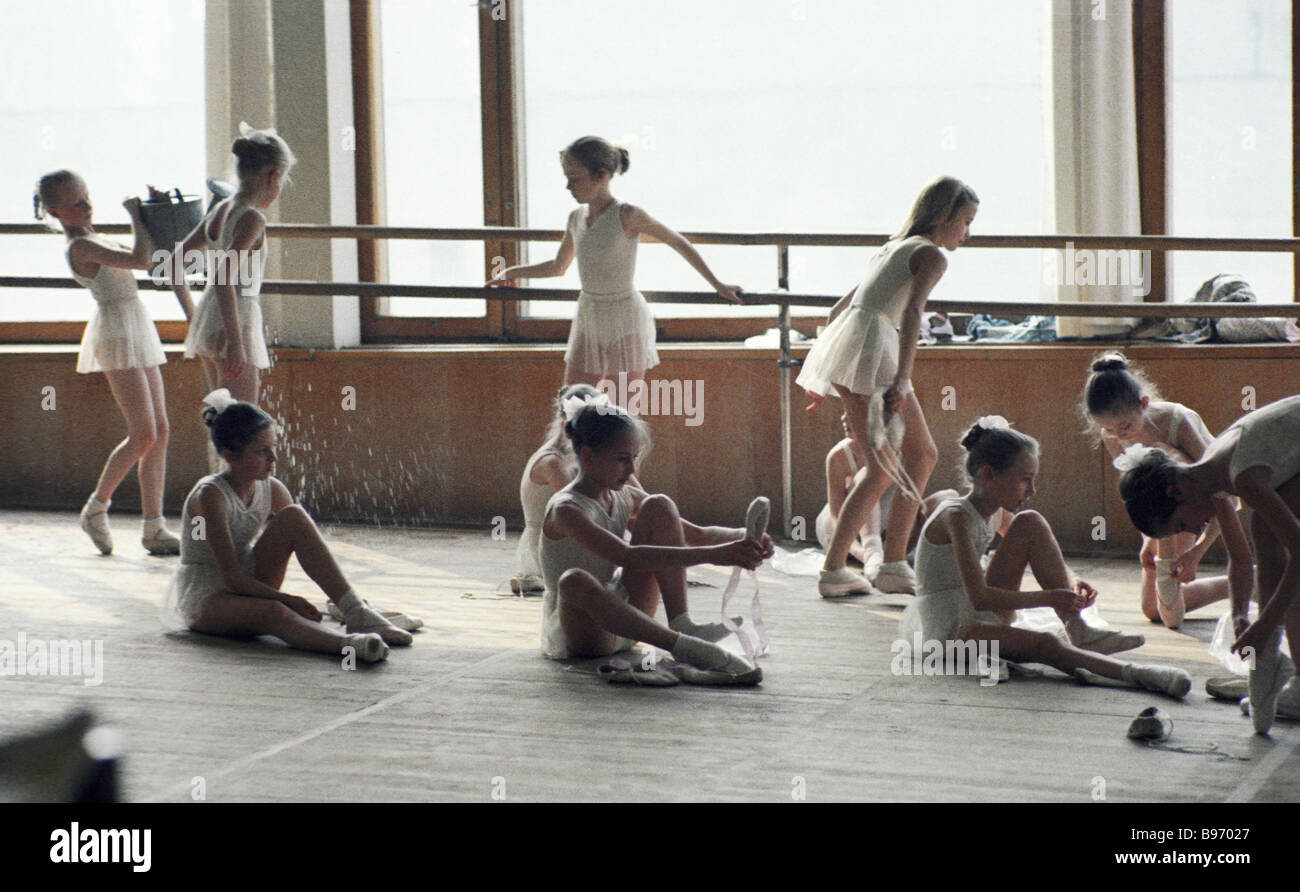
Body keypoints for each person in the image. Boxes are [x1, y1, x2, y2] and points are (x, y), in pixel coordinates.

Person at [900, 418, 1190, 696]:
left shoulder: (993, 510)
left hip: (974, 611)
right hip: (950, 629)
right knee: (1045, 644)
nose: (1033, 490)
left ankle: (1079, 630)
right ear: (989, 475)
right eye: (1025, 480)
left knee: (1031, 521)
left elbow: (1035, 542)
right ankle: (1139, 674)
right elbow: (981, 599)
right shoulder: (956, 517)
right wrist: (1049, 597)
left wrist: (1070, 580)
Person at [798, 176, 977, 598]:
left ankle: (891, 563)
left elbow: (839, 307)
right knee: (889, 466)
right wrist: (900, 378)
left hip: (853, 347)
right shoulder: (931, 255)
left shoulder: (892, 247)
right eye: (966, 221)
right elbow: (914, 313)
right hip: (875, 352)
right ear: (944, 217)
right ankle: (838, 569)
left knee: (917, 456)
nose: (968, 233)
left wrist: (827, 370)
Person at [162, 390, 412, 661]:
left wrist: (338, 597)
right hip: (209, 598)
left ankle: (356, 612)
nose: (274, 459)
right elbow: (232, 578)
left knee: (294, 515)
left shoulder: (271, 489)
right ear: (230, 456)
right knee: (275, 613)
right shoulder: (210, 496)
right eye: (262, 451)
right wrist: (287, 600)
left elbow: (304, 541)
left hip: (249, 579)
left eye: (275, 447)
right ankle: (348, 645)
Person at [539, 394, 768, 683]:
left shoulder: (622, 493)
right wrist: (718, 555)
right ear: (588, 457)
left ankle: (682, 625)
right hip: (583, 629)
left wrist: (743, 539)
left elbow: (694, 534)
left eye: (634, 459)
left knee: (660, 505)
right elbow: (627, 556)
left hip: (630, 620)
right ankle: (687, 647)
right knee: (573, 579)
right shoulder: (566, 510)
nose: (632, 470)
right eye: (622, 460)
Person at [488, 135, 742, 387]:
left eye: (575, 179)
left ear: (601, 176)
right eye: (567, 179)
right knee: (573, 405)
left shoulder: (627, 215)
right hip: (589, 313)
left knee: (618, 413)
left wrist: (718, 284)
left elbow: (677, 242)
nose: (568, 187)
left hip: (625, 317)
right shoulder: (576, 218)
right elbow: (558, 266)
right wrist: (513, 271)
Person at [1118, 395, 1300, 732]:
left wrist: (1264, 625)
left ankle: (1283, 663)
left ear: (1176, 492)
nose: (1191, 531)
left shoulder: (1242, 476)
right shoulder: (1214, 475)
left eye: (1181, 525)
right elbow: (1241, 560)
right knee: (1264, 529)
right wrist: (1241, 613)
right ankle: (1283, 672)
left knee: (1285, 554)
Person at [35, 170, 191, 555]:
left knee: (160, 430)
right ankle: (97, 506)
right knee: (143, 433)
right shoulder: (80, 248)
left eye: (86, 196)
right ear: (55, 212)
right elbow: (140, 260)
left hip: (135, 324)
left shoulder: (97, 238)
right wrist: (135, 215)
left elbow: (151, 254)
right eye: (75, 203)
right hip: (116, 332)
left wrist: (154, 210)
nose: (86, 206)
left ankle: (154, 527)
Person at [1081, 352, 1251, 629]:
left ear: (1143, 404)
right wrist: (1149, 536)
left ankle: (1246, 579)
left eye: (1125, 426)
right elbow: (1138, 495)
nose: (1120, 436)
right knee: (1152, 609)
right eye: (1108, 429)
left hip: (1192, 503)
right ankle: (1243, 582)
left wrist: (1196, 552)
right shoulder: (1111, 435)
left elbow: (1225, 495)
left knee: (1171, 609)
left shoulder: (1176, 420)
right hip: (1161, 510)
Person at [172, 123, 296, 404]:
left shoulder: (219, 208)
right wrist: (236, 343)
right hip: (235, 323)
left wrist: (194, 317)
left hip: (208, 320)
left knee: (223, 420)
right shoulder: (252, 219)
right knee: (241, 425)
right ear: (273, 176)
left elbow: (175, 263)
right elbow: (222, 278)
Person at [516, 383, 605, 593]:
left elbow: (632, 497)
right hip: (551, 547)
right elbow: (582, 509)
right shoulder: (552, 462)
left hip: (577, 533)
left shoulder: (583, 450)